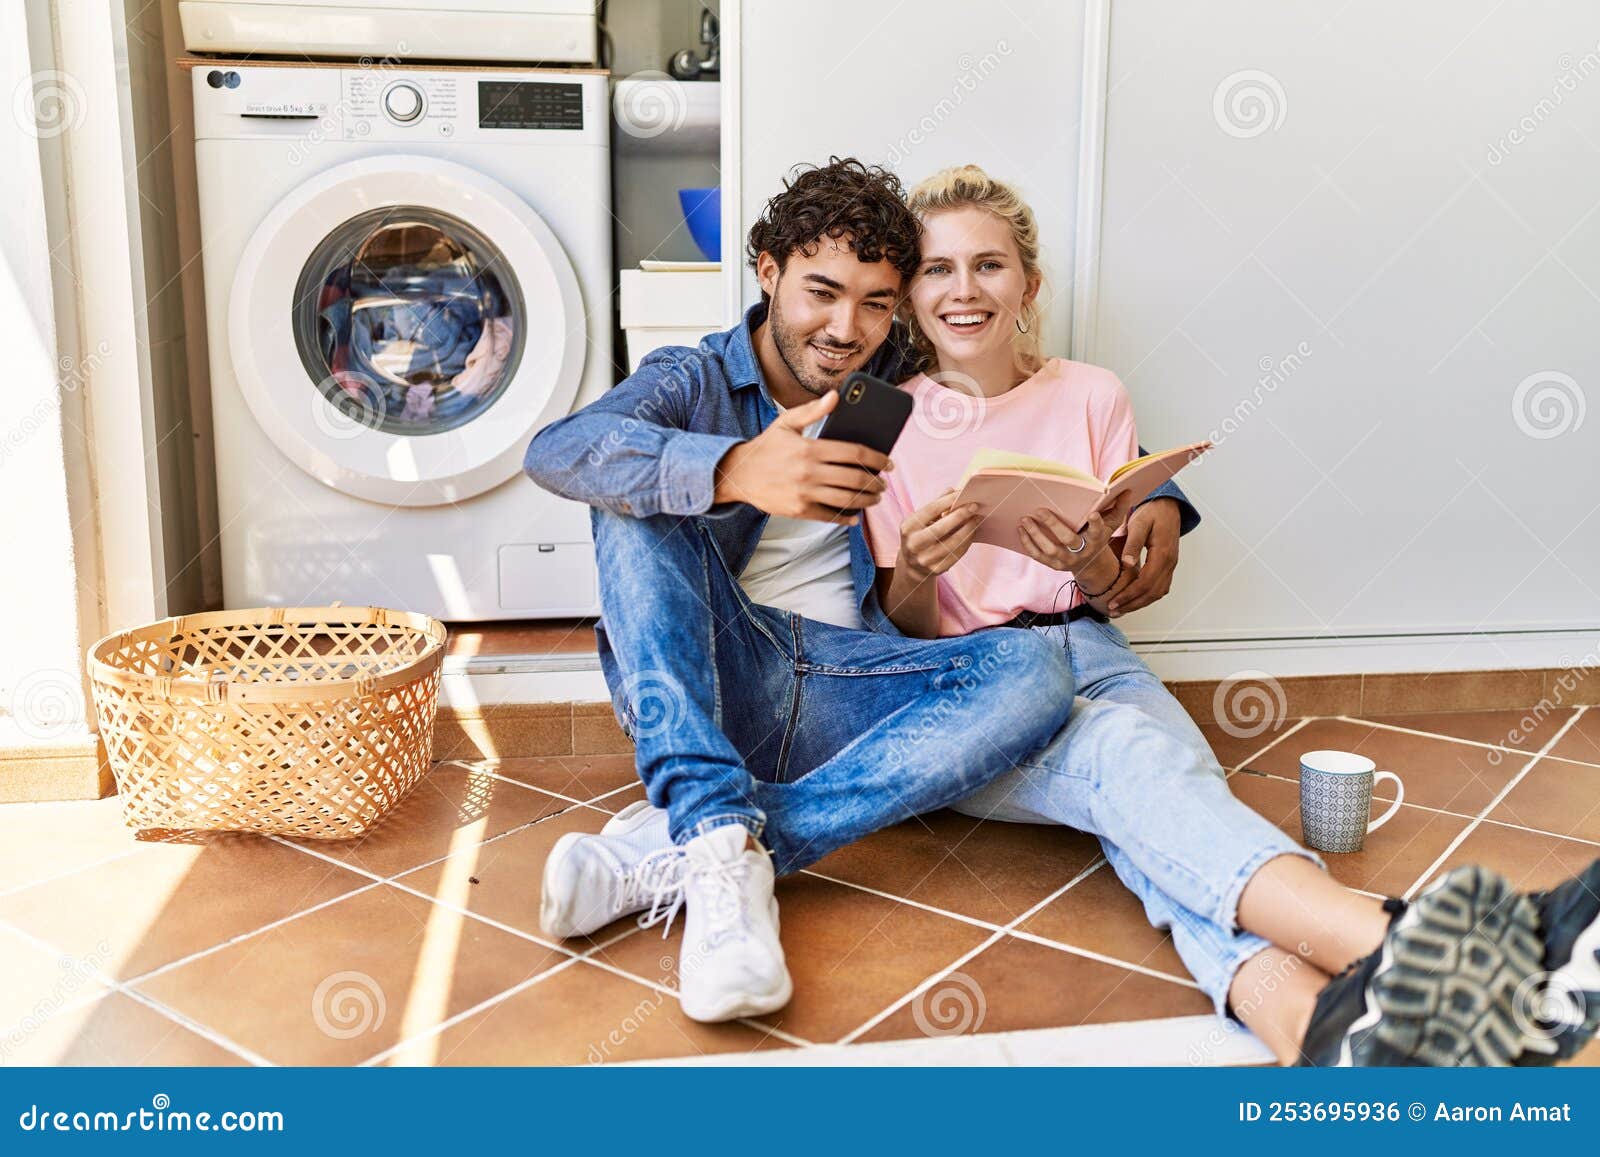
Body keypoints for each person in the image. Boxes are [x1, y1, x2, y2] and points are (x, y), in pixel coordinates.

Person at [857, 162, 1600, 1067]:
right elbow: (910, 633)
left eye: (989, 265)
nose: (963, 290)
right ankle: (1433, 956)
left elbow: (1105, 585)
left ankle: (1329, 1033)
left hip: (1085, 646)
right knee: (1137, 766)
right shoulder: (887, 421)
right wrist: (923, 569)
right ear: (910, 295)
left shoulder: (1092, 393)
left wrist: (1091, 559)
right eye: (938, 269)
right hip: (970, 680)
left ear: (1029, 284)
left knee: (1166, 807)